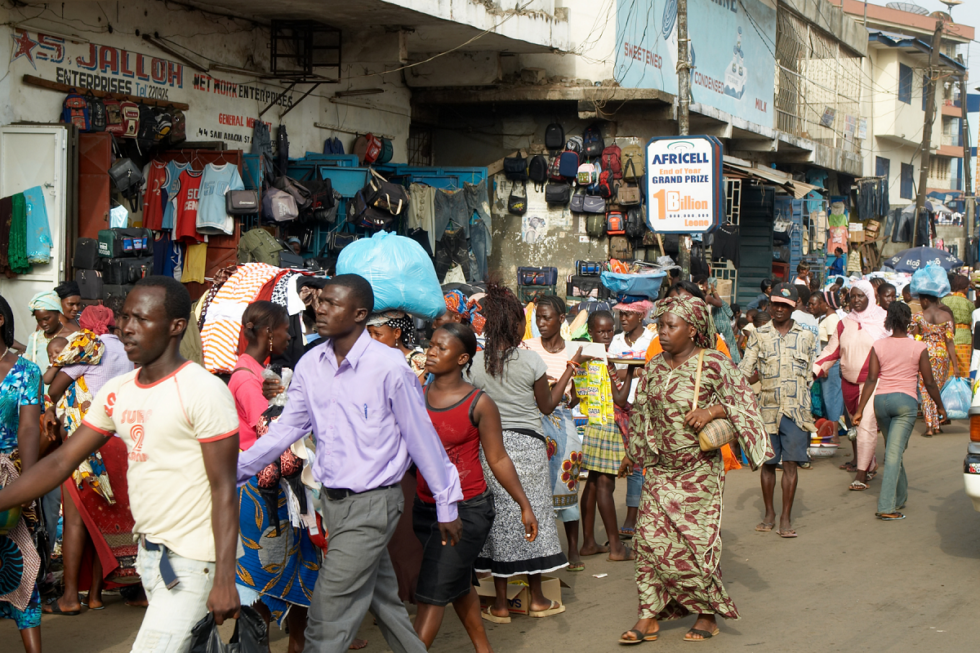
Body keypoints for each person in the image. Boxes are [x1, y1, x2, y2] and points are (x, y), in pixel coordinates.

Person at [0, 276, 242, 651]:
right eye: (124, 317)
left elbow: (224, 488)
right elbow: (63, 459)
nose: (127, 328)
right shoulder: (119, 391)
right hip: (151, 555)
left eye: (141, 319)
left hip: (194, 559)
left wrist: (226, 576)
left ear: (177, 326)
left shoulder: (204, 391)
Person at [237, 274, 464, 652]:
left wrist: (446, 502)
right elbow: (284, 431)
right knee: (386, 606)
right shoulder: (311, 365)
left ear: (360, 314)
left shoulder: (389, 367)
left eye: (332, 304)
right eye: (320, 302)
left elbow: (422, 439)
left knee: (327, 618)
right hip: (333, 504)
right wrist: (234, 470)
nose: (320, 309)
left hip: (374, 504)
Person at [618, 295, 771, 645]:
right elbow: (643, 411)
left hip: (698, 472)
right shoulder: (654, 365)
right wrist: (633, 452)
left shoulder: (714, 363)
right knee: (649, 541)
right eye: (662, 326)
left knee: (696, 544)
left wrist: (713, 411)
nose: (664, 333)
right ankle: (648, 616)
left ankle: (706, 614)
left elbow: (743, 400)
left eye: (672, 327)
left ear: (692, 329)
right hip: (659, 469)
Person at [417, 322, 538, 649]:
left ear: (462, 359)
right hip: (424, 509)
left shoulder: (479, 403)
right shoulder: (415, 394)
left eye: (442, 348)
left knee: (432, 593)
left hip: (467, 512)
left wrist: (524, 505)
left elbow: (498, 459)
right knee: (454, 581)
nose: (431, 351)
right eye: (431, 344)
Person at [468, 282, 570, 623]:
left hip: (491, 449)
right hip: (528, 449)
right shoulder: (530, 361)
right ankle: (537, 598)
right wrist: (568, 373)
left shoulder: (475, 365)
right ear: (514, 325)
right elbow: (546, 406)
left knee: (500, 523)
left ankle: (500, 605)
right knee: (532, 518)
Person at [227, 300, 325, 653]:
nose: (289, 336)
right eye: (285, 329)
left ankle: (292, 642)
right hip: (261, 492)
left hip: (274, 489)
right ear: (268, 334)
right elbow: (272, 431)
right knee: (263, 577)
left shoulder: (257, 374)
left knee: (293, 568)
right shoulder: (246, 380)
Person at [41, 306, 137, 617]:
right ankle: (95, 594)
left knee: (75, 521)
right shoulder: (127, 348)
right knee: (101, 519)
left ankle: (70, 596)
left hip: (86, 445)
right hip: (119, 442)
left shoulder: (89, 345)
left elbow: (53, 391)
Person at [854, 302, 946, 521]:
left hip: (881, 402)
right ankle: (886, 506)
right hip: (905, 403)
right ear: (908, 321)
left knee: (894, 449)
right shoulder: (918, 347)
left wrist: (859, 410)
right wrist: (940, 407)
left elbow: (872, 379)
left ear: (889, 321)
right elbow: (930, 382)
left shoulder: (879, 345)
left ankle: (901, 495)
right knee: (894, 453)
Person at [740, 283, 817, 538]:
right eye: (776, 304)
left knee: (792, 465)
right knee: (769, 464)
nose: (780, 309)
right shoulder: (758, 335)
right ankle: (769, 513)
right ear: (770, 305)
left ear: (794, 307)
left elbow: (809, 375)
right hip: (767, 411)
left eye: (785, 305)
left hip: (796, 412)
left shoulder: (806, 337)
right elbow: (745, 370)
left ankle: (785, 516)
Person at [523, 295, 584, 571]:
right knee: (537, 483)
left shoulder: (575, 350)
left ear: (561, 319)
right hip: (534, 416)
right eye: (538, 318)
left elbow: (576, 398)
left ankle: (573, 549)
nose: (541, 323)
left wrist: (571, 391)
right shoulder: (528, 347)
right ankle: (543, 547)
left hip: (562, 415)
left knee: (568, 481)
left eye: (547, 318)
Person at [0, 295, 43, 653]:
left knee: (21, 566)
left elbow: (30, 429)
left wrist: (28, 484)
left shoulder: (26, 371)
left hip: (9, 479)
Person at [814, 281, 888, 490]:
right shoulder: (843, 323)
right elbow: (831, 351)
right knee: (857, 428)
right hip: (848, 383)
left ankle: (861, 475)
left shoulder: (883, 320)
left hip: (873, 382)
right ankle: (869, 464)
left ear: (869, 297)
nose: (855, 300)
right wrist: (814, 371)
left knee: (866, 426)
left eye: (860, 296)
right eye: (852, 296)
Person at [577, 310, 634, 562]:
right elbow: (620, 399)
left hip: (593, 423)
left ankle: (588, 542)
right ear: (591, 332)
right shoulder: (603, 361)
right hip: (608, 425)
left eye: (610, 330)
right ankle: (616, 547)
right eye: (601, 331)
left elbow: (579, 394)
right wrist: (632, 370)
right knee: (605, 485)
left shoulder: (585, 357)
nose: (607, 335)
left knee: (591, 482)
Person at [607, 300, 655, 540]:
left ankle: (632, 517)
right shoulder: (615, 341)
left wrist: (626, 370)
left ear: (641, 317)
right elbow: (610, 372)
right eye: (621, 314)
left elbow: (653, 370)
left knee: (637, 463)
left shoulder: (652, 340)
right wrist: (636, 369)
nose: (623, 318)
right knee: (618, 462)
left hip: (643, 408)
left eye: (628, 314)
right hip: (618, 408)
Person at [912, 291, 958, 436]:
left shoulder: (918, 316)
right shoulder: (946, 316)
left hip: (925, 354)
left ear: (925, 300)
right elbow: (950, 341)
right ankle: (937, 425)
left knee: (925, 390)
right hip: (942, 356)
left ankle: (929, 427)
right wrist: (955, 366)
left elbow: (916, 338)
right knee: (937, 389)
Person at [808, 291, 844, 427]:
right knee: (828, 396)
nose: (820, 305)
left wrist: (827, 365)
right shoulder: (826, 318)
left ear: (827, 304)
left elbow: (832, 345)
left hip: (830, 363)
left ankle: (834, 428)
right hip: (826, 361)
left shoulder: (832, 319)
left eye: (821, 302)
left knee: (832, 397)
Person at [367, 310, 428, 383]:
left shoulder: (418, 361)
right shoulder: (371, 359)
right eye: (369, 333)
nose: (372, 339)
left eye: (378, 334)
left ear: (396, 333)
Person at [696, 276, 740, 363]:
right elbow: (719, 303)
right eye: (706, 285)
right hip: (708, 326)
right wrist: (714, 290)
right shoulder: (707, 297)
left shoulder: (698, 296)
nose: (707, 287)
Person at [941, 273, 973, 378]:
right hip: (965, 340)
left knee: (950, 369)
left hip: (948, 337)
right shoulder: (969, 303)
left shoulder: (944, 300)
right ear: (965, 288)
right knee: (964, 369)